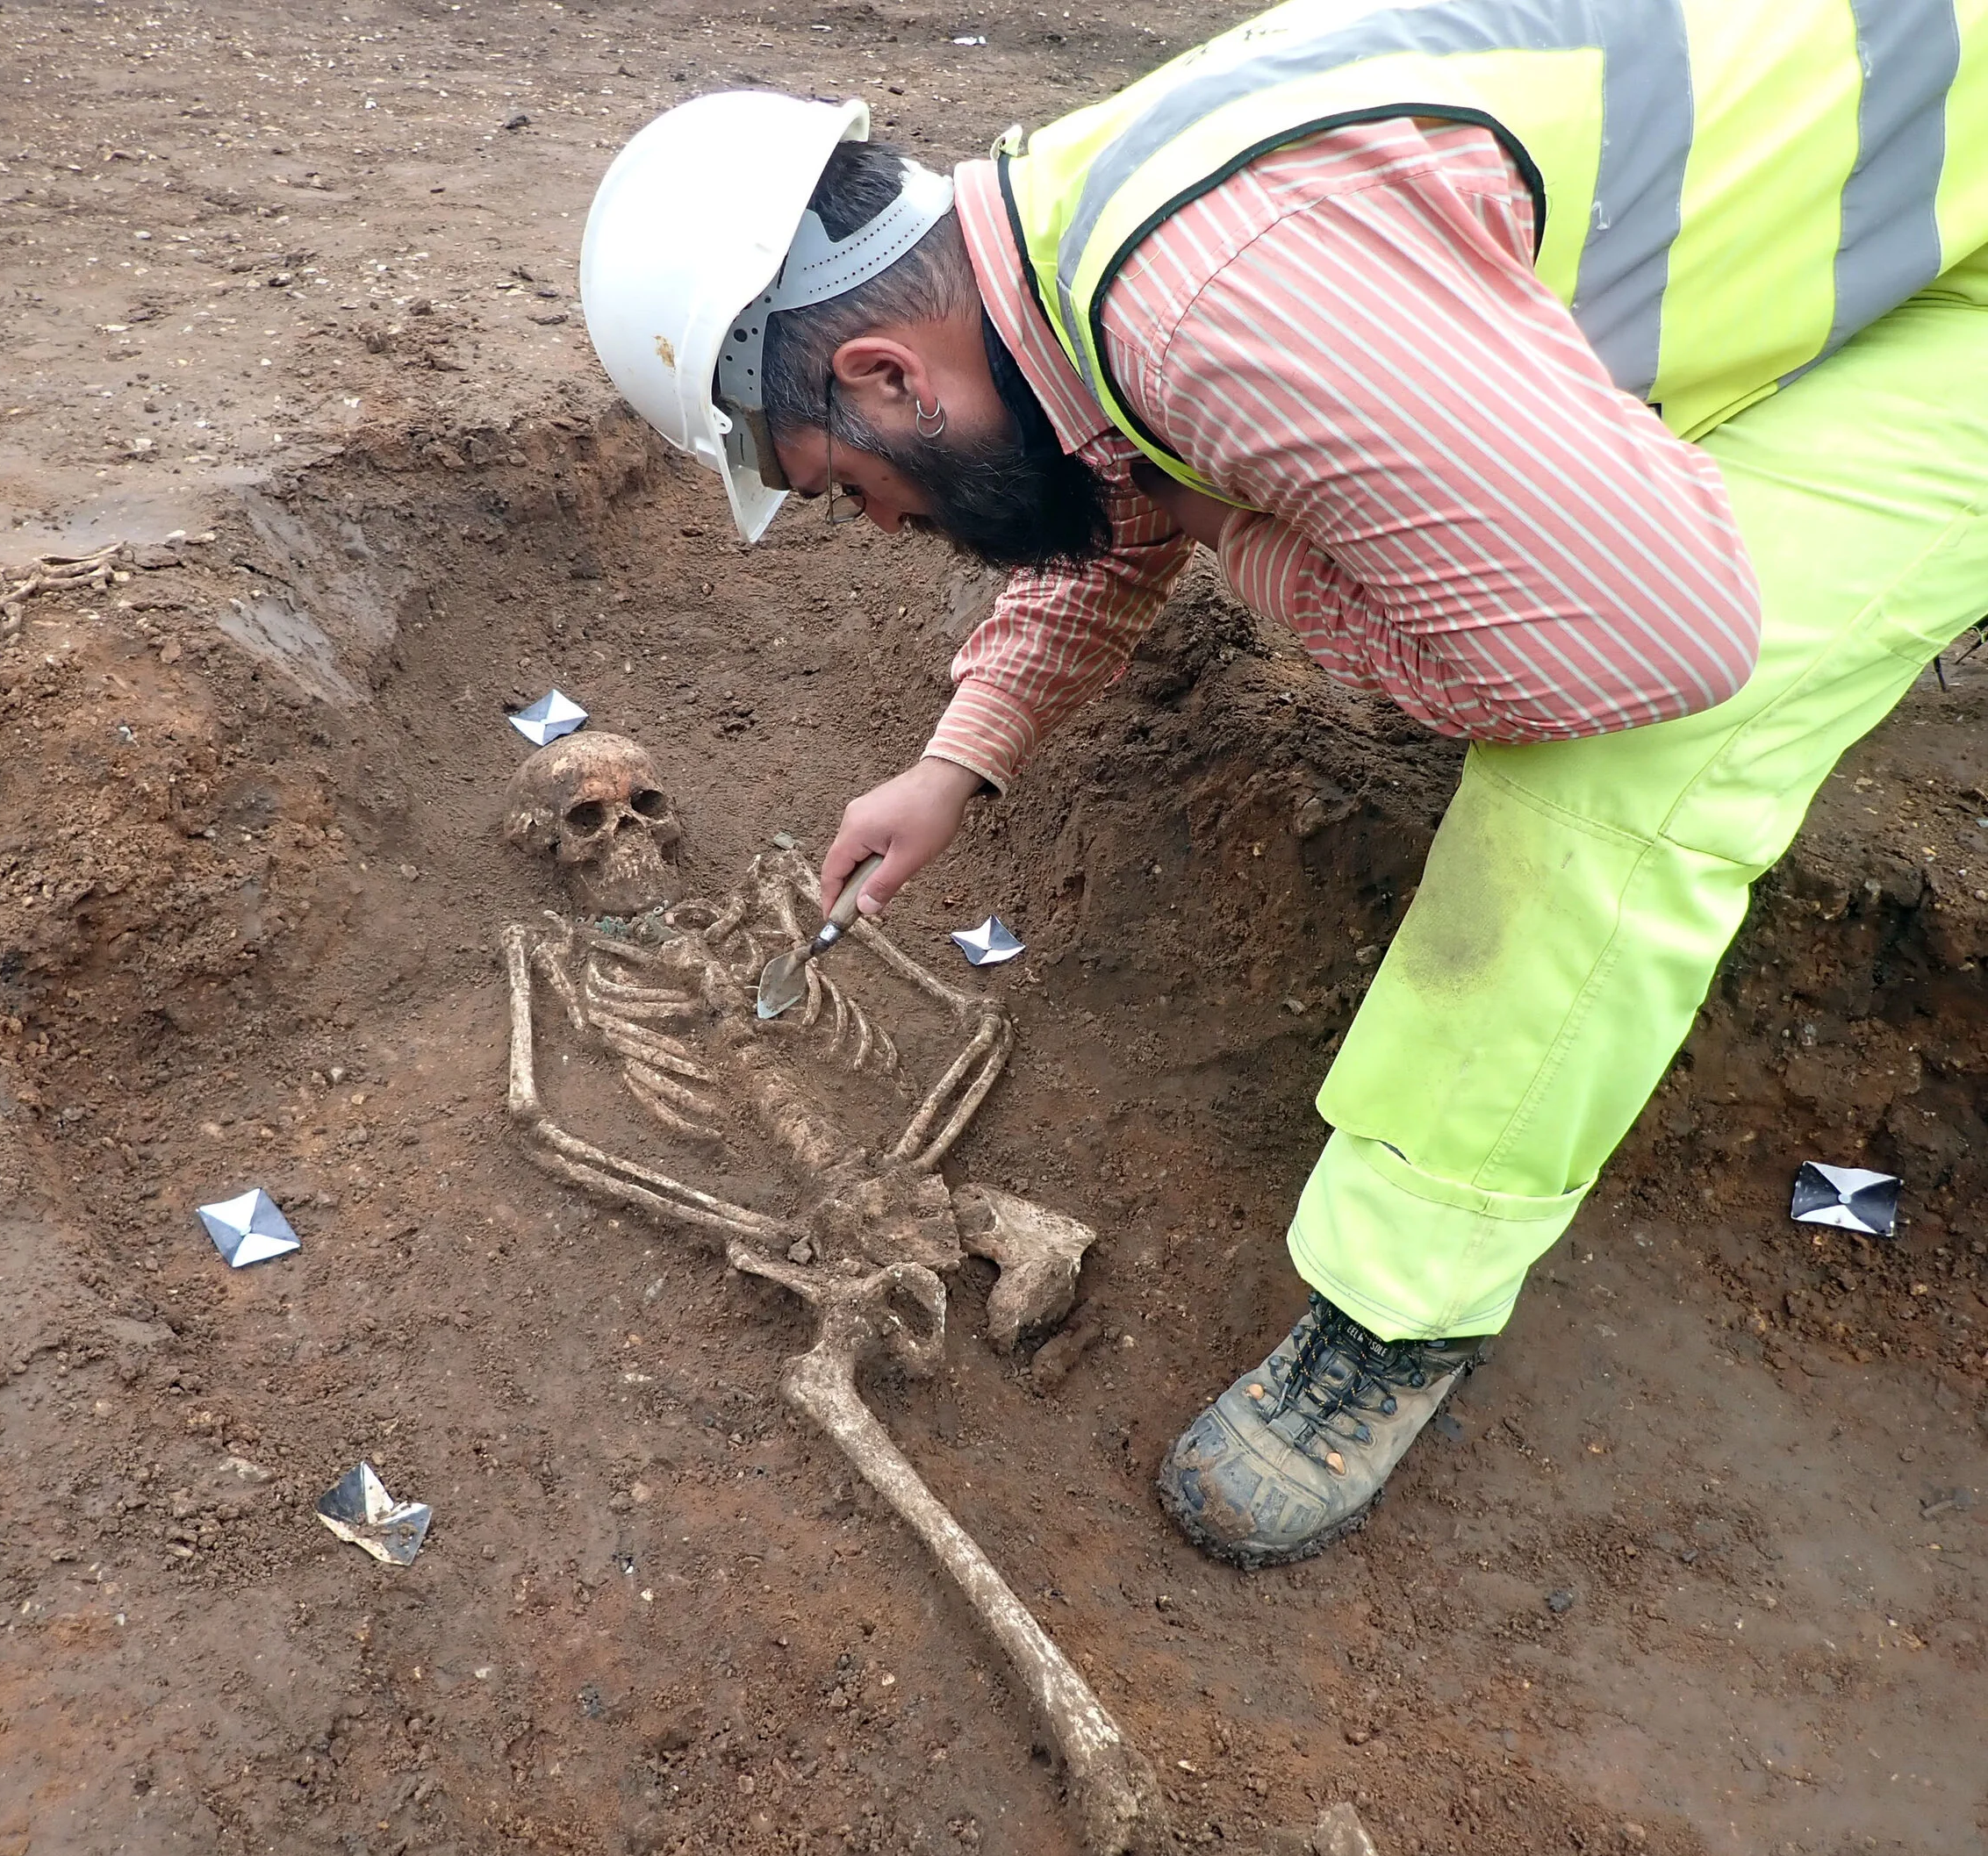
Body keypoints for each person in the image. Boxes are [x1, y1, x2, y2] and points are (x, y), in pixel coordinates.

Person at [578, 0, 1988, 1565]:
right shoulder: (1055, 237)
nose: (889, 526)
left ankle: (1404, 1315)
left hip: (1958, 263)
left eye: (851, 489)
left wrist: (1232, 530)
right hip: (1830, 199)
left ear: (883, 372)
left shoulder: (1224, 304)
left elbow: (1646, 647)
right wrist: (955, 757)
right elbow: (1112, 471)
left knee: (1624, 761)